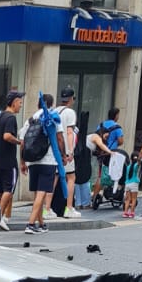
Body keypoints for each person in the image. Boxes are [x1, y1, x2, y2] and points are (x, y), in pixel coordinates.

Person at [23, 94, 63, 235]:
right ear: (51, 104)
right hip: (48, 160)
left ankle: (41, 224)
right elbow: (59, 138)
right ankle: (30, 223)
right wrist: (63, 155)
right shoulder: (52, 116)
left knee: (37, 194)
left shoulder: (30, 119)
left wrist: (23, 162)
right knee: (42, 193)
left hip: (33, 161)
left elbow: (23, 142)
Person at [0, 90, 23, 230]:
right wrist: (19, 142)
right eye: (20, 103)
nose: (20, 105)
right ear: (14, 102)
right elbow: (7, 136)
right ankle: (0, 216)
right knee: (9, 188)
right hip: (8, 160)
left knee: (1, 190)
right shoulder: (11, 118)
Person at [53, 85, 80, 218]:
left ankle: (47, 208)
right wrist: (69, 152)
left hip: (53, 150)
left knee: (54, 178)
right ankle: (68, 207)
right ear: (71, 99)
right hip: (65, 150)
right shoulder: (70, 113)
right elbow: (69, 132)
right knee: (71, 177)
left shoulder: (54, 111)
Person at [122, 151, 141, 218]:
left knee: (127, 200)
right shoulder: (136, 166)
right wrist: (139, 157)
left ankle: (125, 212)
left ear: (131, 158)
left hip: (127, 184)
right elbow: (139, 162)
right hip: (134, 183)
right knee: (134, 199)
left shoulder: (128, 167)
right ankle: (132, 212)